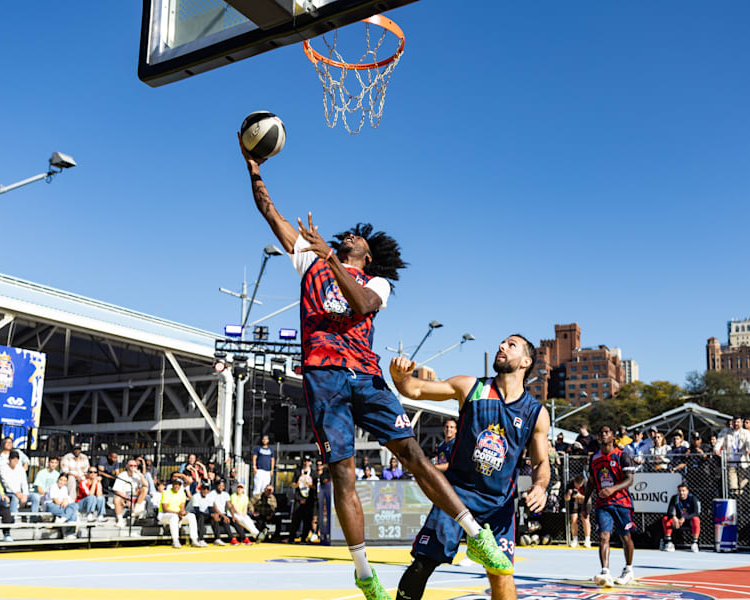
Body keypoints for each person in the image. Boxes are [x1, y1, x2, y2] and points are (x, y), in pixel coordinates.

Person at [243, 143, 512, 599]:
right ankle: (364, 573)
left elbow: (361, 304)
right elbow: (272, 214)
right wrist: (254, 172)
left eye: (356, 240)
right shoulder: (310, 260)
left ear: (366, 256)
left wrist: (330, 258)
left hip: (366, 376)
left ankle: (476, 536)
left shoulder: (376, 282)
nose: (350, 237)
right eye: (346, 236)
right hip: (323, 375)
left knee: (413, 455)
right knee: (342, 474)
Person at [390, 334, 551, 600]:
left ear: (526, 361)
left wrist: (540, 485)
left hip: (498, 505)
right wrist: (400, 378)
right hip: (456, 496)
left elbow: (541, 462)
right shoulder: (470, 387)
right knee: (422, 564)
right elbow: (414, 390)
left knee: (501, 575)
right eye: (502, 342)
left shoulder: (536, 413)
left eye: (511, 345)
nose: (502, 346)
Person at [587, 425, 637, 588]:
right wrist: (586, 501)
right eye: (600, 432)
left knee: (625, 536)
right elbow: (592, 481)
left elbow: (629, 480)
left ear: (613, 437)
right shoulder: (594, 458)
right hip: (602, 503)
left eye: (606, 432)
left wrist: (613, 489)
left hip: (622, 502)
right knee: (603, 536)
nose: (603, 435)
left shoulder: (623, 456)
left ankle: (628, 570)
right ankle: (605, 572)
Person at [159, 477, 203, 548]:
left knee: (191, 516)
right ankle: (175, 541)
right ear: (172, 484)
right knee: (174, 517)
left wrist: (182, 514)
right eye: (175, 484)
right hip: (164, 515)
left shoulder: (182, 493)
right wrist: (177, 514)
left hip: (177, 514)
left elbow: (182, 508)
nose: (177, 486)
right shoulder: (166, 492)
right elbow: (165, 509)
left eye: (179, 485)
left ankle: (194, 540)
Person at [0, 451, 40, 517]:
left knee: (36, 496)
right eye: (13, 458)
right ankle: (13, 518)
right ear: (9, 459)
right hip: (9, 493)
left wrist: (25, 494)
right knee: (15, 498)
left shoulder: (21, 469)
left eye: (17, 458)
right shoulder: (3, 469)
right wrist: (17, 493)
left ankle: (33, 518)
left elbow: (24, 483)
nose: (15, 460)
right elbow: (7, 483)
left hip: (21, 493)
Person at [661, 483, 701, 553]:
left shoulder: (692, 498)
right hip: (677, 522)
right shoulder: (675, 498)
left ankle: (695, 543)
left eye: (683, 490)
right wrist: (674, 517)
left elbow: (696, 513)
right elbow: (670, 511)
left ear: (687, 491)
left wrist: (685, 518)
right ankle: (669, 543)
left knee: (696, 519)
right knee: (665, 519)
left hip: (688, 521)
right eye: (679, 491)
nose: (681, 493)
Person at [113, 459, 149, 523]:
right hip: (124, 495)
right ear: (127, 466)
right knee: (116, 498)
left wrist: (139, 474)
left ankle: (136, 509)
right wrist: (126, 497)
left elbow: (146, 485)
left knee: (145, 489)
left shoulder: (137, 475)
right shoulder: (122, 475)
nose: (133, 467)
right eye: (131, 465)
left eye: (135, 466)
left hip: (135, 494)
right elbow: (116, 490)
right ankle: (120, 519)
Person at [46, 473, 80, 540]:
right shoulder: (53, 486)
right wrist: (64, 504)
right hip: (52, 505)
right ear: (58, 479)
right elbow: (55, 501)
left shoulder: (64, 488)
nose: (62, 482)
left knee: (74, 505)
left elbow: (65, 498)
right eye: (61, 480)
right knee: (72, 512)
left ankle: (62, 519)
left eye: (64, 481)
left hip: (61, 506)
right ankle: (70, 533)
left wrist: (65, 501)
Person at [565, 474, 591, 549]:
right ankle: (575, 540)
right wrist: (568, 494)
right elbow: (566, 499)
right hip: (574, 502)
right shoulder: (570, 483)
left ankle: (587, 540)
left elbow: (589, 500)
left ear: (582, 483)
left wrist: (580, 496)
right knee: (573, 519)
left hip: (585, 502)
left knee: (585, 518)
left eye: (579, 485)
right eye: (576, 485)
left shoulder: (587, 484)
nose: (578, 487)